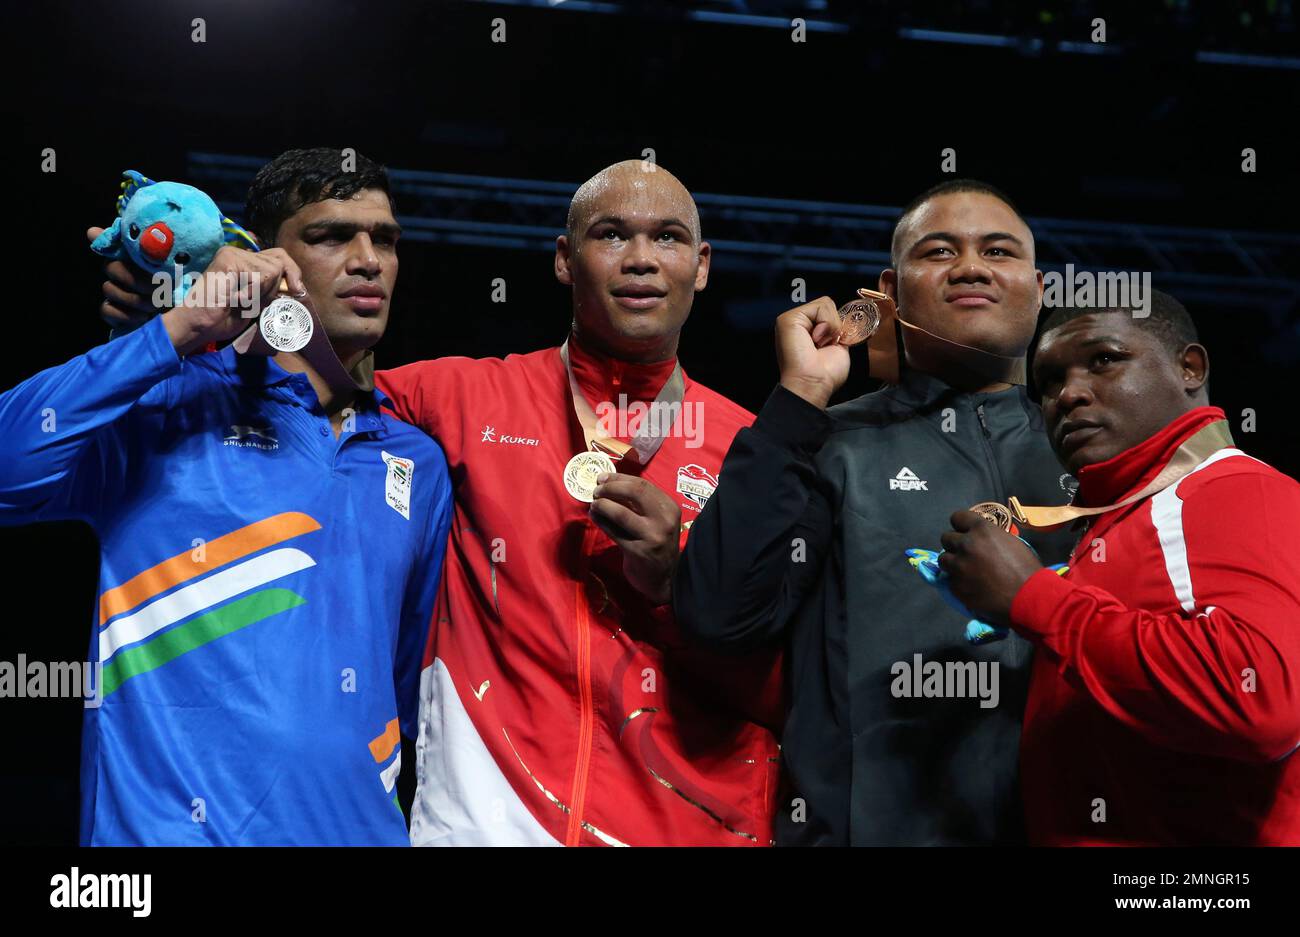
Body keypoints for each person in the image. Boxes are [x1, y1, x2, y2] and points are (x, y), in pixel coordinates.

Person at [17, 148, 454, 845]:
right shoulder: (170, 401)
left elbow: (409, 681)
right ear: (263, 259)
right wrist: (182, 327)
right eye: (332, 236)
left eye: (386, 239)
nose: (369, 260)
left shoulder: (416, 463)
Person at [376, 160, 783, 846]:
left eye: (669, 237)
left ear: (702, 265)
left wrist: (673, 589)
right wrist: (194, 303)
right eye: (612, 234)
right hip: (493, 820)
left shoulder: (753, 451)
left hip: (687, 829)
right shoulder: (462, 399)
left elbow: (788, 692)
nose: (642, 258)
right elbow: (301, 388)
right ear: (565, 259)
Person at [673, 179, 1077, 845]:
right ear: (889, 291)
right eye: (939, 251)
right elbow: (719, 616)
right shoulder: (822, 442)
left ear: (1038, 291)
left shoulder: (1096, 461)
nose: (971, 267)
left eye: (998, 251)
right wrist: (800, 395)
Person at [938, 290, 1300, 845]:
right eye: (1049, 382)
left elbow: (1260, 703)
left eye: (1104, 359)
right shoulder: (1123, 519)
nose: (1068, 394)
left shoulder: (1231, 490)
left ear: (1189, 368)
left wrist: (1035, 599)